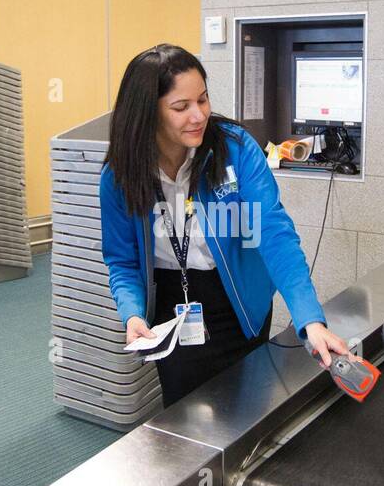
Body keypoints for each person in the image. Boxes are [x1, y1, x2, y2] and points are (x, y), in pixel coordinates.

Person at [99, 44, 349, 406]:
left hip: (238, 299)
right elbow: (121, 261)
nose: (198, 115)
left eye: (202, 99)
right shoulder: (119, 176)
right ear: (147, 114)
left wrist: (310, 320)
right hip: (172, 308)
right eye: (181, 107)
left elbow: (274, 233)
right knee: (187, 414)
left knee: (249, 406)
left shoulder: (235, 148)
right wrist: (132, 312)